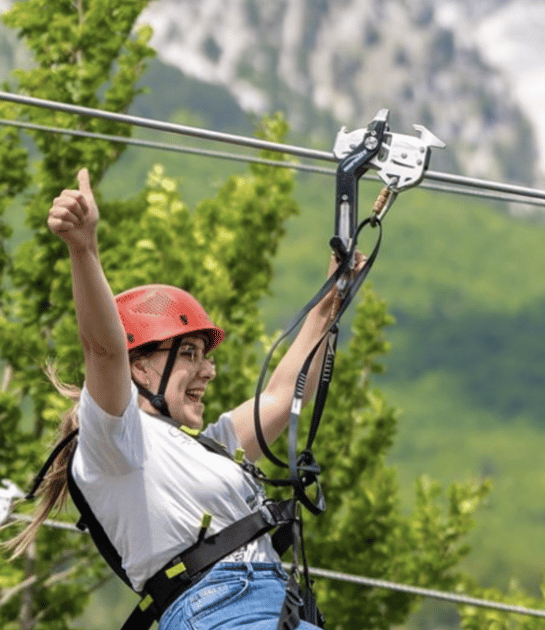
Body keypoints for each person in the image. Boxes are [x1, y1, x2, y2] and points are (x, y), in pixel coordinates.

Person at [5, 168, 358, 629]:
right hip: (217, 611)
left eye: (205, 357)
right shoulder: (115, 443)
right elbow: (104, 349)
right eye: (189, 354)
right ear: (138, 367)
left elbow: (281, 395)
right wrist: (83, 247)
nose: (208, 371)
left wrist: (333, 295)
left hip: (277, 609)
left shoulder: (208, 446)